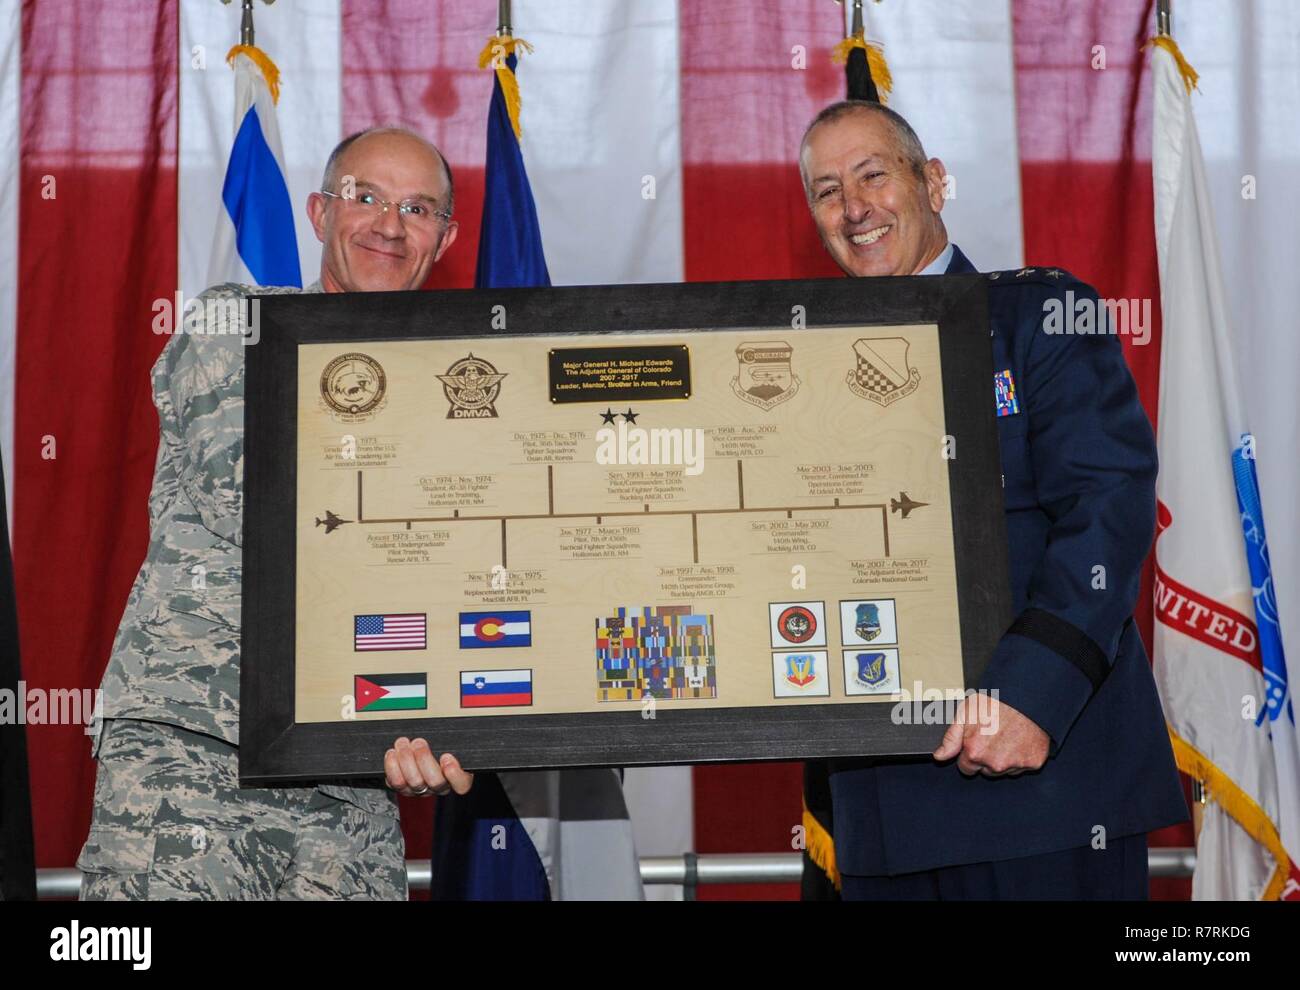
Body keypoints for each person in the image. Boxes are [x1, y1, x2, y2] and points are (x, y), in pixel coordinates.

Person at [799, 101, 1188, 899]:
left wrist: (1031, 698)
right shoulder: (797, 366)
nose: (855, 207)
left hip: (1044, 786)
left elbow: (1108, 508)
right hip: (883, 807)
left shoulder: (1040, 316)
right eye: (828, 190)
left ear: (933, 181)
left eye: (874, 175)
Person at [78, 127, 474, 901]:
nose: (389, 226)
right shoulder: (238, 325)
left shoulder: (463, 398)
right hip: (195, 757)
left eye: (417, 208)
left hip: (354, 780)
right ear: (320, 211)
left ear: (446, 237)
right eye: (365, 197)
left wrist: (453, 725)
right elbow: (256, 494)